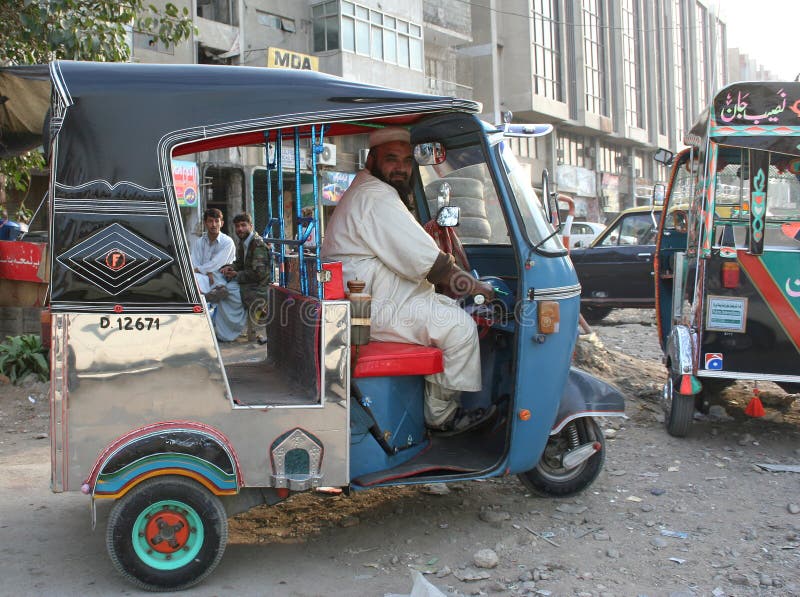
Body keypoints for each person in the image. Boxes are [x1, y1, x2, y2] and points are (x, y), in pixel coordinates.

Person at [321, 126, 495, 434]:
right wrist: (475, 287)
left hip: (379, 300)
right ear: (371, 160)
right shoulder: (375, 196)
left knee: (449, 311)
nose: (400, 167)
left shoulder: (370, 191)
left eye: (406, 160)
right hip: (373, 310)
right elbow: (426, 261)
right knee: (461, 328)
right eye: (391, 159)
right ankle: (440, 418)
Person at [191, 208, 245, 341]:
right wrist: (205, 271)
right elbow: (194, 263)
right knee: (192, 280)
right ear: (205, 223)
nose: (213, 224)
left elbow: (217, 265)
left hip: (221, 277)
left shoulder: (227, 242)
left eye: (216, 221)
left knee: (206, 281)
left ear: (222, 223)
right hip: (204, 278)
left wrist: (207, 271)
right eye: (210, 221)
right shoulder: (199, 242)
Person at [221, 213, 271, 341]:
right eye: (237, 226)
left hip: (258, 287)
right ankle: (229, 329)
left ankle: (235, 329)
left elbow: (259, 274)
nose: (240, 229)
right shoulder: (243, 242)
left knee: (227, 293)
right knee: (222, 286)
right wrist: (231, 267)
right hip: (249, 282)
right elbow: (240, 263)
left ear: (251, 226)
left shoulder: (257, 244)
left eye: (243, 225)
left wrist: (237, 275)